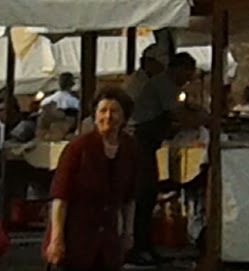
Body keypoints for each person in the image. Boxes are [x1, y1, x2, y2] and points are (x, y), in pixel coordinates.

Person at [48, 91, 140, 271]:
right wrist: (56, 239)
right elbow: (60, 197)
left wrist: (129, 233)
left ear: (124, 117)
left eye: (114, 111)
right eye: (103, 111)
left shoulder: (130, 148)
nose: (108, 116)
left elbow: (130, 197)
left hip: (108, 237)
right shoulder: (78, 147)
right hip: (76, 234)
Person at [127, 50, 201, 264]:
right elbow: (179, 115)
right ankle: (138, 247)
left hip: (149, 145)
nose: (187, 80)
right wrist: (205, 119)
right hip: (141, 143)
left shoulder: (167, 85)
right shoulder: (164, 84)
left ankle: (146, 245)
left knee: (149, 195)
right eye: (187, 74)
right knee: (144, 194)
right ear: (178, 69)